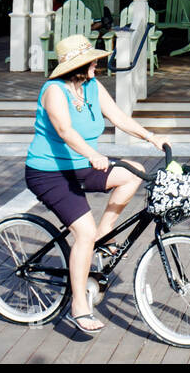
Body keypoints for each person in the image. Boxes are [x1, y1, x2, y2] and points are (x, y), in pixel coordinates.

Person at [25, 34, 170, 334]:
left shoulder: (91, 86)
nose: (96, 65)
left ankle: (104, 236)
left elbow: (118, 116)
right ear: (76, 65)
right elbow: (65, 131)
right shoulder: (53, 90)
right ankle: (79, 305)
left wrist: (151, 137)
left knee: (133, 172)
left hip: (83, 165)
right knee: (84, 233)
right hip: (50, 172)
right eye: (91, 61)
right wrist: (93, 154)